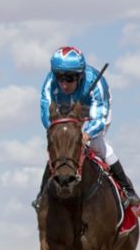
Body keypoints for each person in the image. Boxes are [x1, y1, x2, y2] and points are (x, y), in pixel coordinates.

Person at [33, 46, 138, 208]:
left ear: (80, 75)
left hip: (95, 111)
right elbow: (46, 113)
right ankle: (42, 195)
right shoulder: (49, 82)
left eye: (69, 78)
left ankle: (128, 189)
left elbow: (99, 118)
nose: (64, 85)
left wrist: (87, 133)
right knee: (61, 147)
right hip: (67, 111)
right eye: (59, 77)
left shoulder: (96, 83)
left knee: (96, 145)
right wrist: (58, 132)